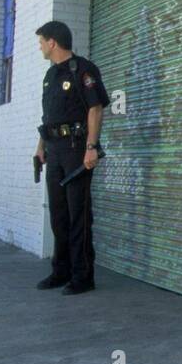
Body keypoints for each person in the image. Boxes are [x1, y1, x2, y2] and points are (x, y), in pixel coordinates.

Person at [33, 20, 111, 296]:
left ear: (52, 42)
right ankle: (61, 270)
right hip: (53, 150)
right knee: (58, 214)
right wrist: (41, 146)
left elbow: (95, 108)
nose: (40, 46)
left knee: (78, 214)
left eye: (42, 41)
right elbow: (48, 117)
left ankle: (82, 275)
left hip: (77, 148)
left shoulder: (83, 69)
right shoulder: (50, 76)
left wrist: (92, 147)